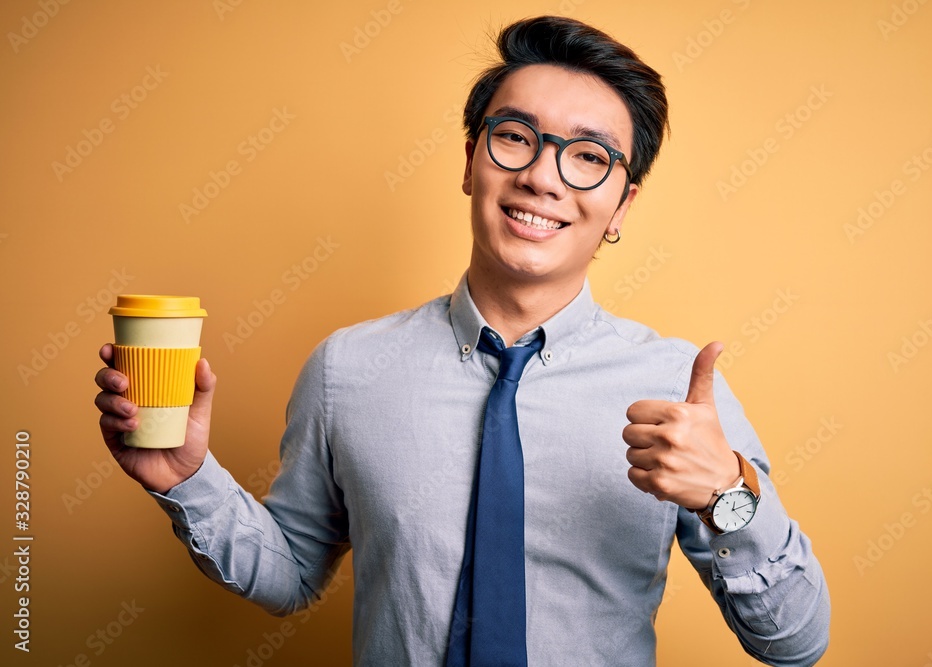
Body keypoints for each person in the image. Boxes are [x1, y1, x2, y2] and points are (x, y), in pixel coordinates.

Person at [94, 15, 829, 666]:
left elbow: (795, 641)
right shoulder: (346, 369)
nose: (543, 176)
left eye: (588, 157)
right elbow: (290, 574)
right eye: (516, 138)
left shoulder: (677, 388)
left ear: (621, 206)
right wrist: (186, 479)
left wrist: (731, 492)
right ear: (472, 159)